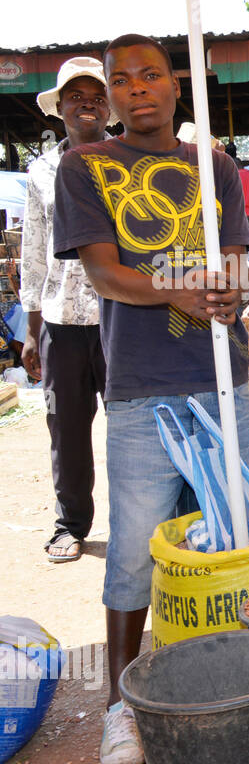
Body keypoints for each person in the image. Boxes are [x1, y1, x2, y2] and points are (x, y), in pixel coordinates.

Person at [53, 34, 249, 764]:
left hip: (221, 380)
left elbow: (236, 260)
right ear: (107, 95)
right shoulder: (86, 168)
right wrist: (179, 290)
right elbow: (105, 275)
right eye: (121, 80)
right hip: (140, 387)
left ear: (177, 86)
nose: (137, 88)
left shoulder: (220, 168)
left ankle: (246, 681)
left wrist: (231, 294)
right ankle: (120, 706)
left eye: (151, 75)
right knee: (136, 550)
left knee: (237, 532)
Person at [20, 56, 114, 565]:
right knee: (68, 429)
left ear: (109, 109)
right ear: (60, 108)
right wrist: (31, 330)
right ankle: (70, 525)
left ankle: (137, 522)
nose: (87, 104)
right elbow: (34, 253)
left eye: (96, 96)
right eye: (75, 96)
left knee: (131, 427)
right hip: (61, 320)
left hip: (124, 317)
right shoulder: (41, 172)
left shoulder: (127, 162)